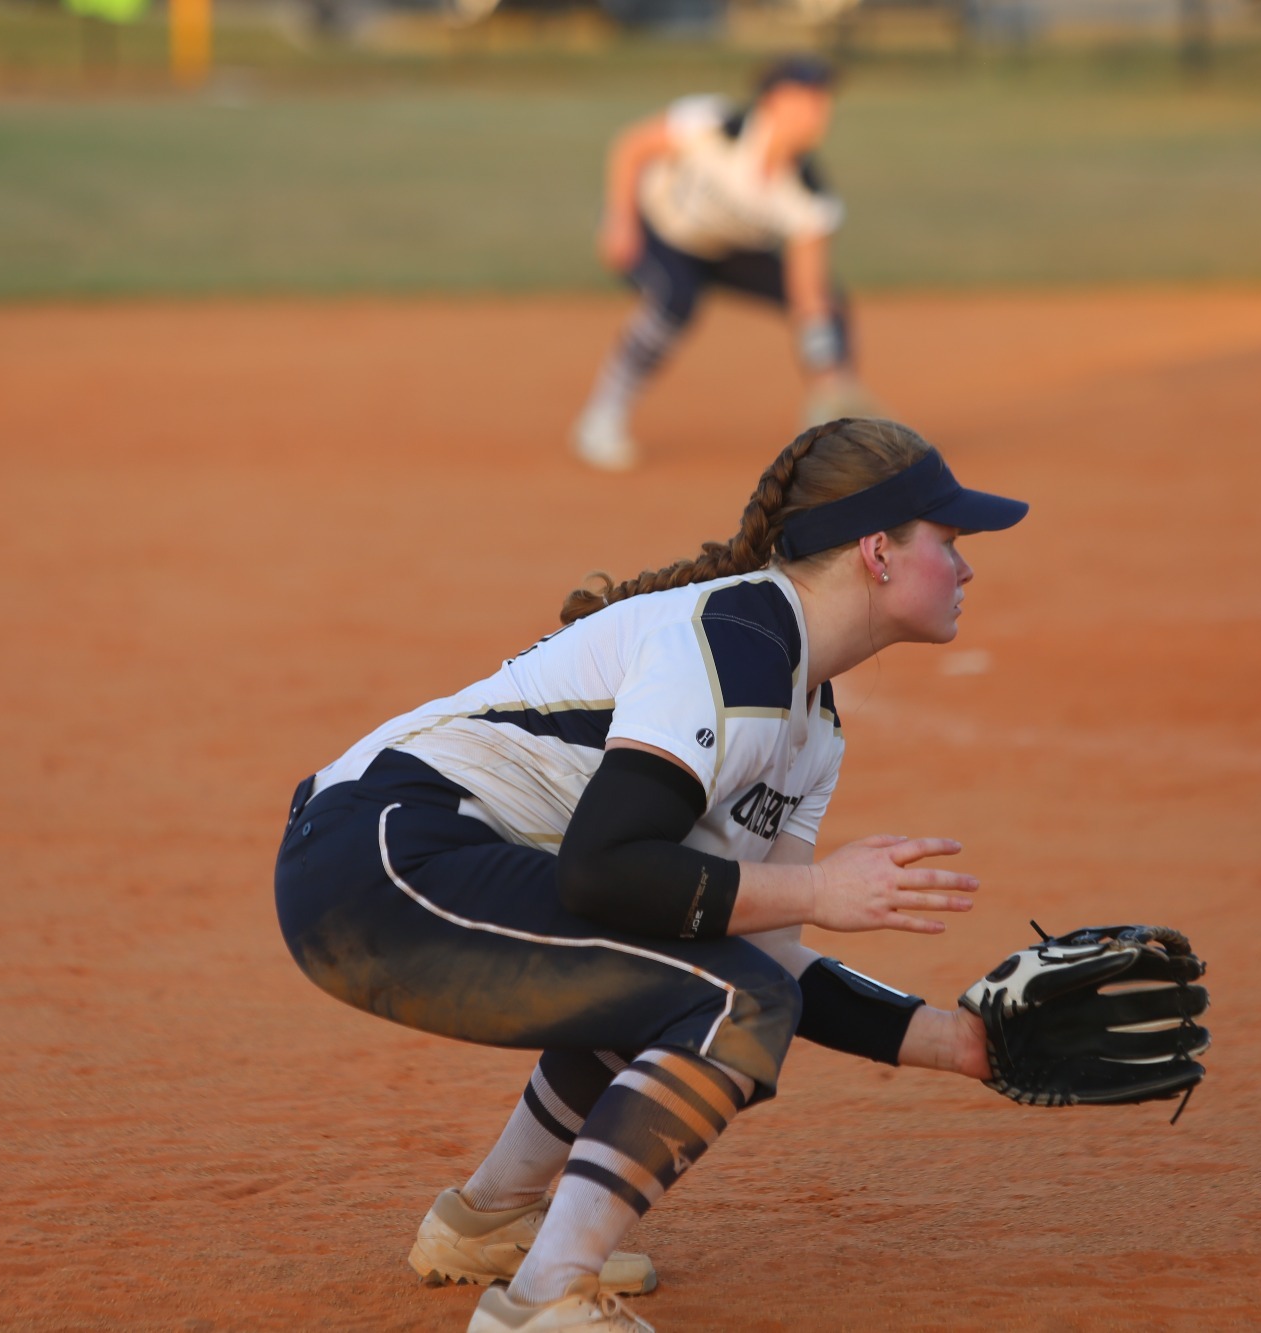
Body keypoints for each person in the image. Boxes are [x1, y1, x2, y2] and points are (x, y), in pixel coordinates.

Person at [275, 418, 1027, 1331]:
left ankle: (490, 1219)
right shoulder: (735, 641)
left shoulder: (810, 725)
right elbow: (605, 873)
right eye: (948, 542)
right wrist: (823, 891)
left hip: (397, 869)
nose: (966, 566)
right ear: (877, 550)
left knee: (705, 967)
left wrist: (949, 1041)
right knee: (725, 996)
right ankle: (547, 1297)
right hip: (379, 865)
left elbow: (751, 943)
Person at [570, 56, 884, 473]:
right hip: (660, 229)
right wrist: (620, 219)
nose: (819, 112)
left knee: (829, 303)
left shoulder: (810, 195)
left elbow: (807, 294)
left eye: (823, 101)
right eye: (807, 99)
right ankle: (601, 418)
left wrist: (827, 372)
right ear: (772, 100)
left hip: (728, 251)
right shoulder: (712, 124)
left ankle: (830, 421)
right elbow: (632, 147)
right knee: (675, 298)